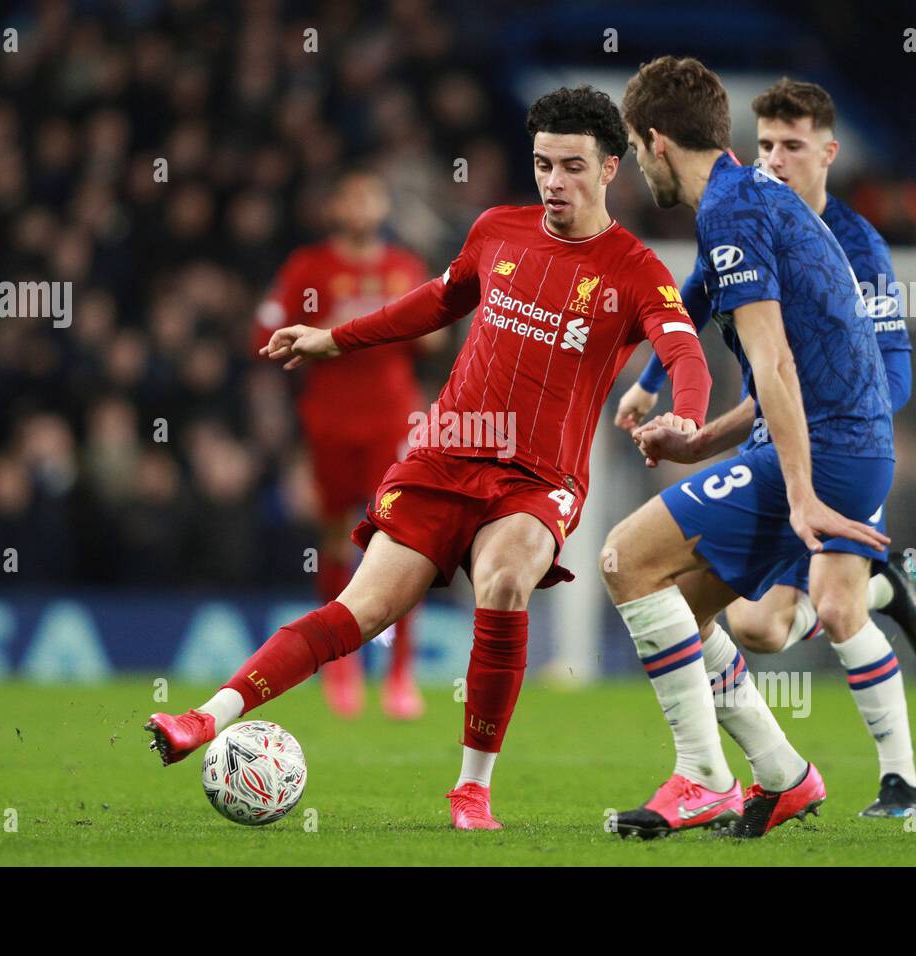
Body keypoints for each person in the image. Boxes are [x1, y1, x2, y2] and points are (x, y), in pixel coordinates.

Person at [147, 87, 713, 830]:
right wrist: (333, 338)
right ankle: (204, 717)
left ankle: (472, 787)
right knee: (361, 608)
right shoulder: (497, 230)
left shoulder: (635, 268)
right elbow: (435, 302)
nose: (554, 182)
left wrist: (688, 420)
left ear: (611, 168)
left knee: (504, 581)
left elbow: (683, 349)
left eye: (572, 166)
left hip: (538, 476)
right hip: (444, 453)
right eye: (543, 164)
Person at [615, 78, 916, 818]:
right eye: (770, 143)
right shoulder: (745, 200)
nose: (638, 165)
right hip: (825, 445)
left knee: (627, 560)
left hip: (827, 453)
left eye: (635, 149)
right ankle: (783, 775)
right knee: (700, 618)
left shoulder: (757, 214)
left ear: (658, 142)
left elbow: (780, 367)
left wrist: (801, 493)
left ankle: (711, 778)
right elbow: (733, 333)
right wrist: (691, 433)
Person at [255, 169, 438, 720]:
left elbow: (438, 334)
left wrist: (384, 325)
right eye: (351, 196)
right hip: (330, 423)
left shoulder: (404, 267)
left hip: (391, 422)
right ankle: (341, 667)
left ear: (382, 205)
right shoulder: (309, 268)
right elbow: (263, 333)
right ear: (336, 206)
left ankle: (401, 673)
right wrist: (320, 326)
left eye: (369, 195)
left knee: (402, 540)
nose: (361, 206)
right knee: (336, 539)